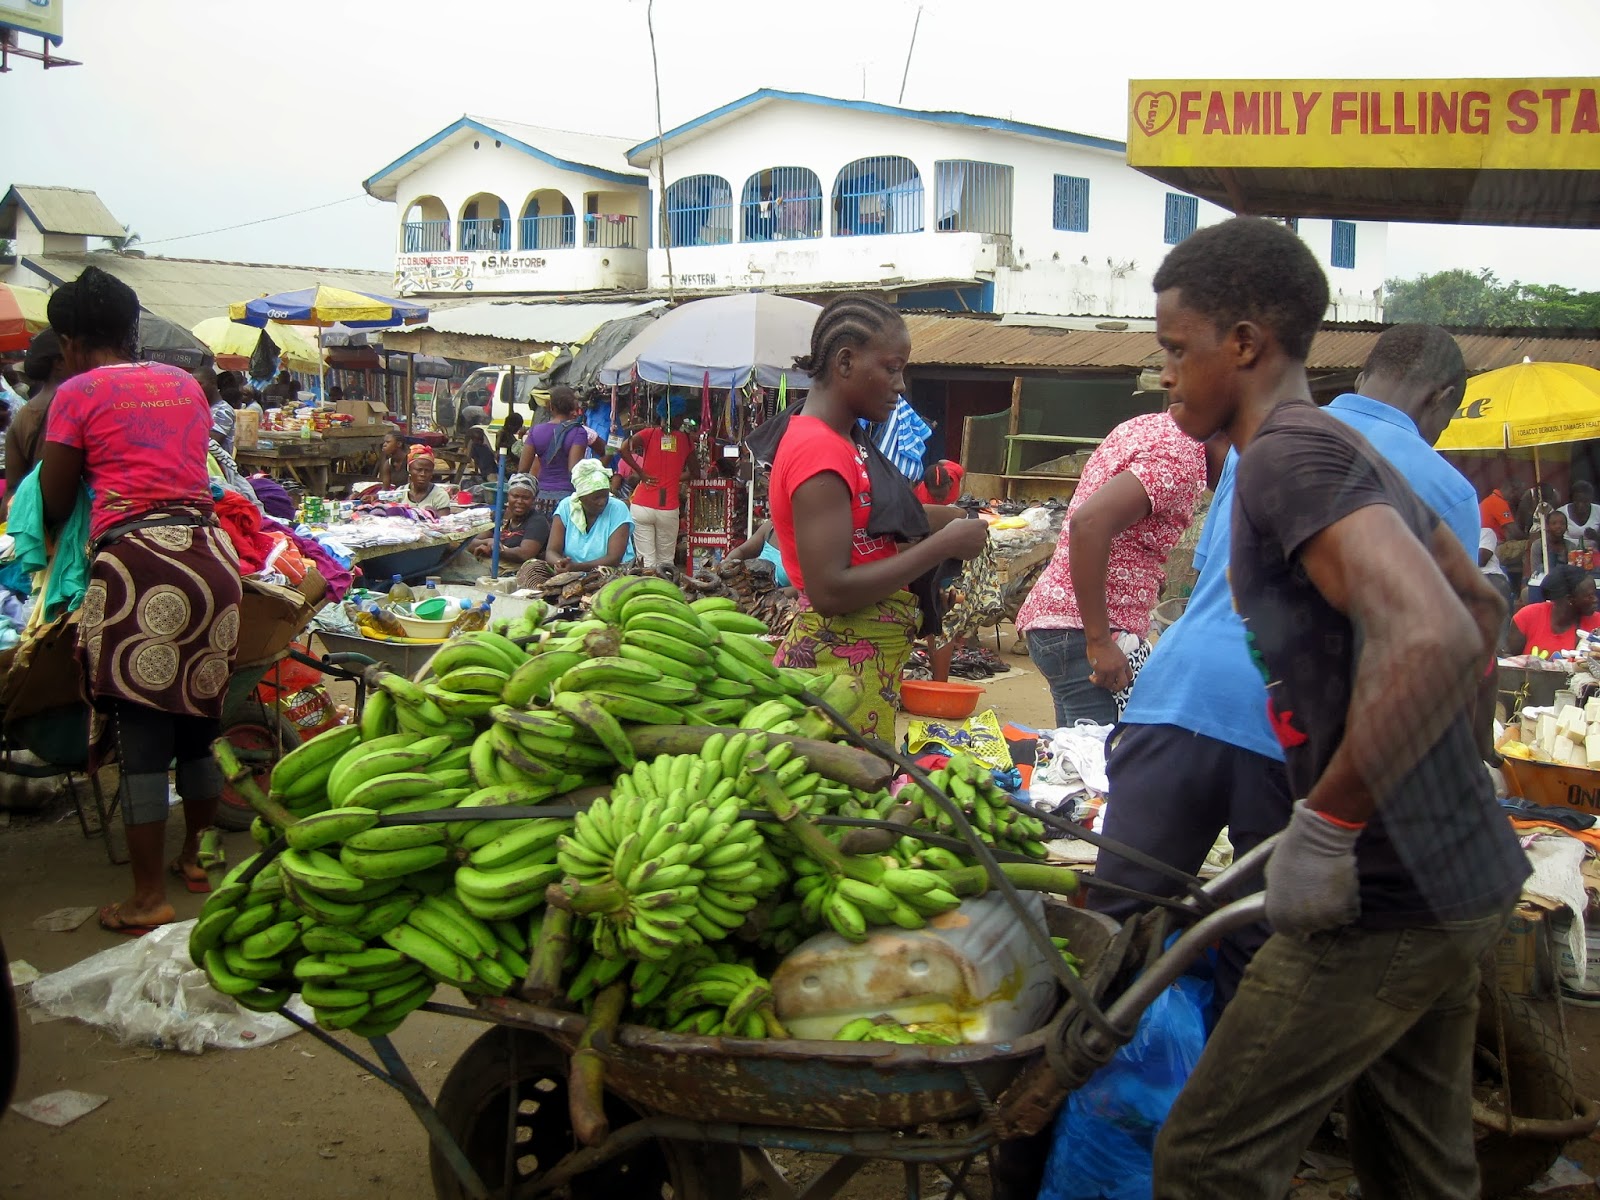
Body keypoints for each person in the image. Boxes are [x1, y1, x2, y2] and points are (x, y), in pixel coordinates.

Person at [1140, 217, 1525, 1198]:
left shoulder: (1286, 457)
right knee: (1416, 1170)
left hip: (1385, 897)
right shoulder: (1343, 445)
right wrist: (1432, 769)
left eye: (1175, 350)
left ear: (1243, 344)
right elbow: (1480, 608)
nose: (1165, 375)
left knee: (1206, 1160)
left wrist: (1335, 819)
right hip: (1457, 876)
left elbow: (1438, 636)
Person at [1087, 323, 1482, 1014]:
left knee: (1114, 920)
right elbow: (1435, 639)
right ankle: (1210, 1106)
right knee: (1260, 949)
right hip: (1290, 731)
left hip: (1176, 698)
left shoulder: (1271, 440)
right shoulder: (1447, 490)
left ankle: (1066, 1100)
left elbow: (1219, 575)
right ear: (1440, 398)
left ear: (1364, 376)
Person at [39, 266, 243, 935]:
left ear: (68, 341)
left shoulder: (76, 392)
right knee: (198, 724)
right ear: (132, 330)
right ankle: (195, 857)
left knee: (142, 731)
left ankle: (146, 895)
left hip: (138, 566)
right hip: (213, 559)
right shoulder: (183, 383)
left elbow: (57, 498)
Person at [768, 295, 988, 740]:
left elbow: (862, 525)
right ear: (845, 363)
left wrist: (940, 518)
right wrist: (941, 547)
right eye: (891, 368)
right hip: (837, 667)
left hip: (859, 664)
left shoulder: (845, 441)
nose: (901, 385)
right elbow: (830, 590)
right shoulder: (820, 451)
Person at [1015, 412, 1209, 726]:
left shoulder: (1151, 427)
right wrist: (1100, 641)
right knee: (1099, 763)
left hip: (1060, 622)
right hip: (1084, 631)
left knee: (1074, 759)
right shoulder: (1182, 458)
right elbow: (1089, 524)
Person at [619, 397, 696, 569]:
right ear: (677, 416)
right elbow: (695, 473)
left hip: (641, 505)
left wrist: (641, 473)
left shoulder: (649, 433)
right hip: (668, 508)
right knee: (666, 562)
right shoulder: (686, 440)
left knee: (646, 562)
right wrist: (674, 477)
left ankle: (647, 592)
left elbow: (623, 448)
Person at [5, 329, 68, 509]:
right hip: (60, 525)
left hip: (28, 520)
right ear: (59, 362)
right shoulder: (71, 408)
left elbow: (12, 489)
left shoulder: (24, 413)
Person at [518, 386, 597, 512]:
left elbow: (523, 469)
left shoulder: (535, 431)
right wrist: (613, 450)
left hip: (541, 496)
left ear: (551, 408)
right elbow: (574, 469)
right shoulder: (579, 432)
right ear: (573, 409)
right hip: (567, 498)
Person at [546, 458, 634, 571]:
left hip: (611, 573)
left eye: (605, 496)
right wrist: (559, 563)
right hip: (572, 572)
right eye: (596, 498)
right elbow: (551, 551)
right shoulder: (566, 506)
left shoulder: (617, 508)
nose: (602, 502)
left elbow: (614, 559)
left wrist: (576, 568)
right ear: (581, 497)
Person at [1506, 564, 1600, 655]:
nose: (1596, 600)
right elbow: (1508, 659)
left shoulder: (1597, 623)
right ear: (1569, 599)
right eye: (1590, 596)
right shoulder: (1528, 616)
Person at [468, 474, 549, 568]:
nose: (519, 501)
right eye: (515, 496)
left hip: (515, 572)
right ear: (508, 496)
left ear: (533, 500)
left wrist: (493, 549)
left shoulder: (538, 522)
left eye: (525, 498)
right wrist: (489, 541)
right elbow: (471, 543)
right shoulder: (500, 516)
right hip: (490, 565)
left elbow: (524, 554)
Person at [725, 519, 794, 589]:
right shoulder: (770, 528)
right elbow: (741, 551)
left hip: (785, 597)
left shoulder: (803, 538)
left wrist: (772, 593)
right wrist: (727, 563)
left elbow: (802, 589)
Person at [1523, 507, 1575, 599]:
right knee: (1526, 593)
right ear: (1546, 526)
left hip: (1565, 586)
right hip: (1543, 584)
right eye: (1554, 523)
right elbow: (1535, 571)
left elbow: (1572, 571)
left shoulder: (1571, 546)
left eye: (1562, 523)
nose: (1558, 526)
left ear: (1566, 527)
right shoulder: (1538, 545)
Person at [386, 443, 453, 513]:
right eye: (418, 470)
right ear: (409, 470)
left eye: (427, 470)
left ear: (432, 473)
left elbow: (444, 522)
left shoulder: (440, 496)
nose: (423, 474)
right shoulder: (400, 493)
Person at [1480, 477, 1524, 543]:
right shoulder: (1498, 502)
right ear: (1513, 491)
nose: (1518, 499)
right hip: (1490, 544)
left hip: (1484, 542)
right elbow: (1513, 530)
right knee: (1528, 546)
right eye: (1519, 494)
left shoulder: (1491, 499)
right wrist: (1528, 539)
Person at [1564, 479, 1600, 546]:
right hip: (1568, 554)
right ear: (1572, 498)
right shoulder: (1561, 513)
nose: (1580, 505)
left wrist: (1596, 537)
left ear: (1591, 499)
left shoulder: (1598, 511)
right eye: (1577, 501)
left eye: (1585, 501)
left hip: (1594, 554)